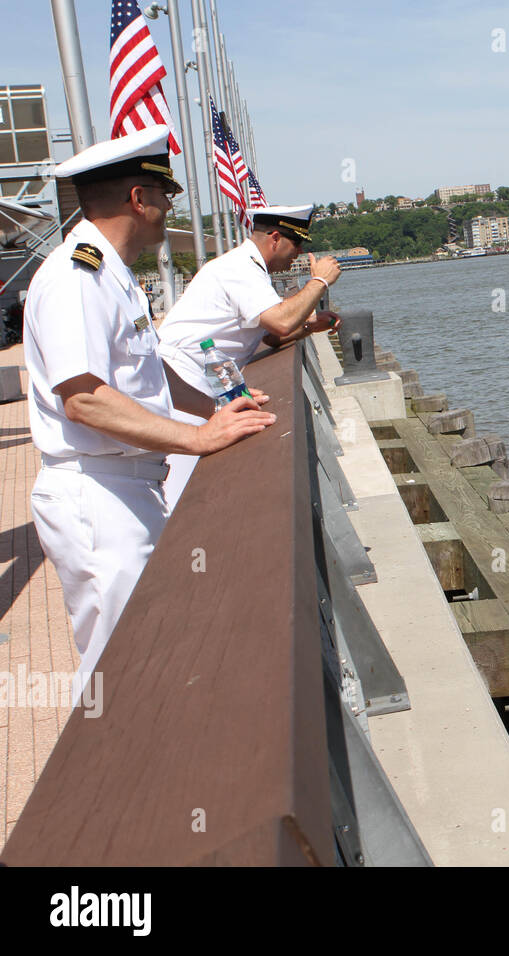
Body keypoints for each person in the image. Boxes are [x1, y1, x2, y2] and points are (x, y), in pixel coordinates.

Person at [23, 126, 277, 698]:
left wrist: (220, 404)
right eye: (164, 197)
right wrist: (201, 439)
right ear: (139, 199)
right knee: (120, 669)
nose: (167, 210)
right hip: (97, 491)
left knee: (149, 649)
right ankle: (96, 783)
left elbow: (147, 376)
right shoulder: (76, 276)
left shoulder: (113, 276)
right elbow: (84, 396)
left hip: (129, 486)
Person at [157, 204, 341, 506]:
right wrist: (318, 282)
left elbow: (270, 333)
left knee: (186, 485)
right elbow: (280, 321)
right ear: (274, 238)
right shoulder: (242, 268)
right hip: (182, 383)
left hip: (203, 379)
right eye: (296, 244)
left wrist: (310, 325)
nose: (297, 253)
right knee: (177, 491)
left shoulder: (248, 267)